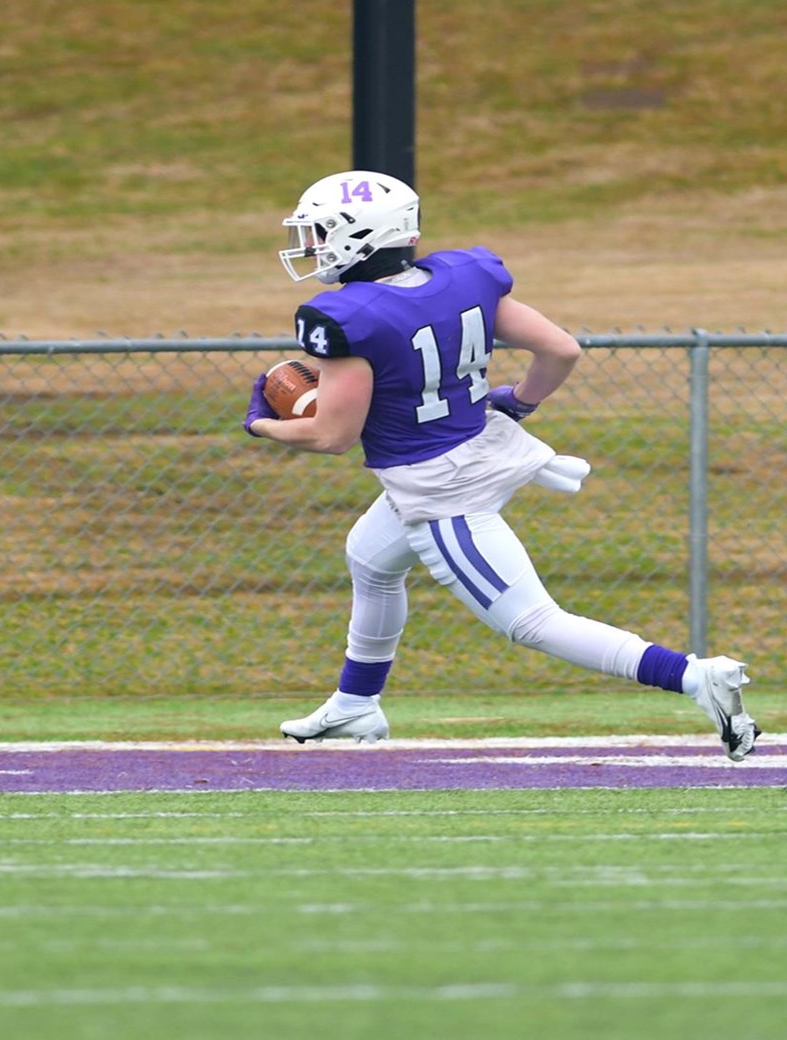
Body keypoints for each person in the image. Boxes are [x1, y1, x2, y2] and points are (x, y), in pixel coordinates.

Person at [245, 170, 758, 760]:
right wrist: (522, 400)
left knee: (531, 621)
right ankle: (355, 703)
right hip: (480, 448)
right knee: (371, 558)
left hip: (440, 487)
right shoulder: (462, 277)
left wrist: (260, 422)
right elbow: (560, 349)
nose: (311, 245)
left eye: (319, 232)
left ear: (357, 235)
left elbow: (333, 435)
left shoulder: (347, 316)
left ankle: (694, 676)